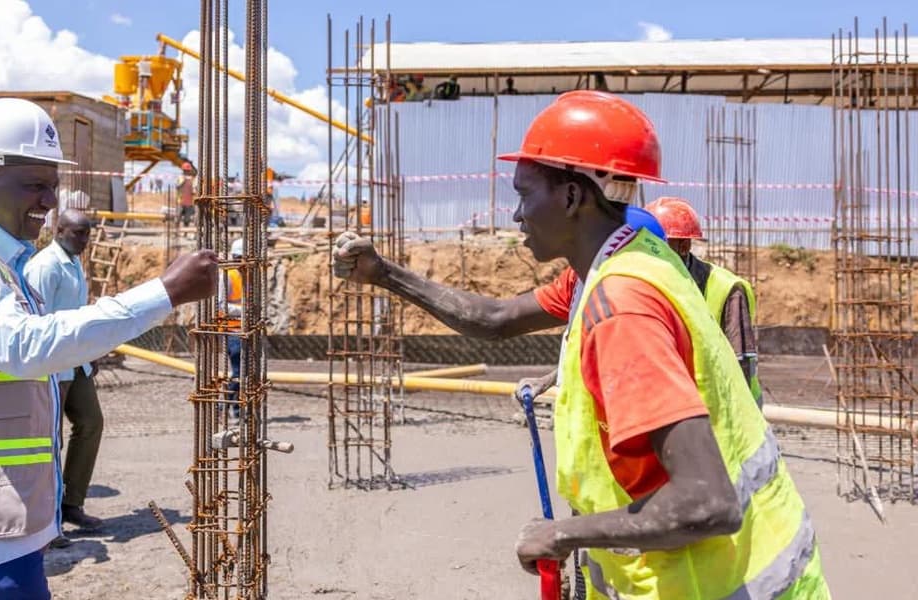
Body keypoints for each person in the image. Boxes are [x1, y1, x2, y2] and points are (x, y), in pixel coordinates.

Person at [333, 91, 829, 598]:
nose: (516, 216)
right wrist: (384, 274)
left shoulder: (622, 306)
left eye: (524, 195)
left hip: (715, 583)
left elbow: (706, 503)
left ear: (572, 197)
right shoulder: (629, 258)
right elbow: (496, 318)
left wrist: (561, 534)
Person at [0, 97, 217, 599]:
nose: (50, 201)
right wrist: (164, 293)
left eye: (53, 186)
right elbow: (23, 346)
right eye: (35, 185)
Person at [23, 208, 106, 549]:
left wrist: (89, 352)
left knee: (91, 423)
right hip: (52, 366)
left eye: (87, 234)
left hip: (75, 361)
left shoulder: (71, 262)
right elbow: (37, 319)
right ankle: (46, 520)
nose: (84, 240)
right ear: (58, 230)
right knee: (49, 440)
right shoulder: (46, 266)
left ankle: (71, 502)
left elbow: (77, 315)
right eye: (78, 233)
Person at [645, 196, 762, 407]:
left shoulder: (727, 289)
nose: (649, 252)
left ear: (683, 246)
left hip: (728, 411)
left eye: (658, 245)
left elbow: (740, 366)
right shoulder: (652, 284)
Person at [219, 238, 244, 420]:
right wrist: (245, 310)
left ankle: (235, 409)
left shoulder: (250, 275)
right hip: (232, 331)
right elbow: (220, 305)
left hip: (247, 330)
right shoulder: (227, 275)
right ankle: (225, 408)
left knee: (246, 373)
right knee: (238, 372)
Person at [177, 160, 196, 227]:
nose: (186, 172)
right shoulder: (180, 177)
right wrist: (183, 181)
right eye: (185, 170)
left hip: (190, 202)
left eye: (187, 170)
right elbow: (178, 187)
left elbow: (194, 190)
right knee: (178, 217)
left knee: (187, 219)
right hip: (181, 201)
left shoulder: (192, 179)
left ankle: (185, 232)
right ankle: (176, 232)